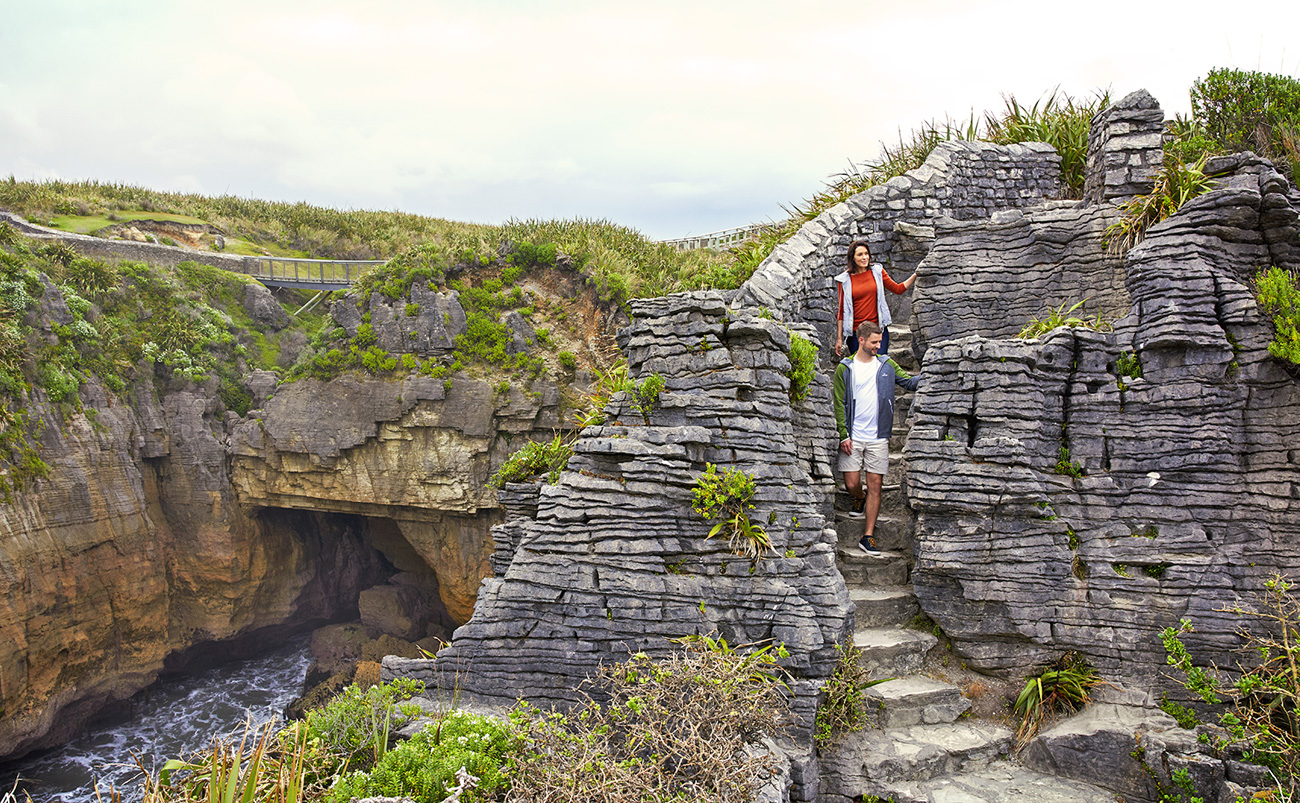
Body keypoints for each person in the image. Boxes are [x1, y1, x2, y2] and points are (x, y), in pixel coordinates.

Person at [833, 321, 921, 556]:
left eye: (880, 342)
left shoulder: (886, 364)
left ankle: (868, 536)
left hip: (878, 437)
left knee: (876, 485)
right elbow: (839, 403)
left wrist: (938, 369)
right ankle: (858, 498)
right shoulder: (845, 368)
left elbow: (909, 382)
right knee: (852, 483)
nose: (878, 346)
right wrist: (844, 434)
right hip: (853, 436)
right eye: (874, 342)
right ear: (860, 340)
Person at [833, 240, 915, 358]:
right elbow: (841, 311)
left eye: (866, 254)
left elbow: (898, 289)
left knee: (878, 366)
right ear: (853, 258)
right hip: (856, 334)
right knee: (862, 370)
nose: (864, 257)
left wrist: (917, 274)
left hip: (878, 330)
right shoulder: (844, 280)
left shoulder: (877, 272)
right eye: (860, 255)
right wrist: (839, 338)